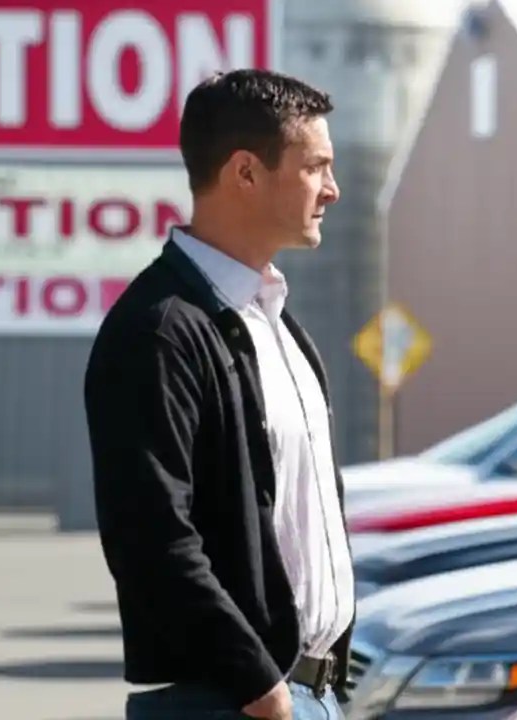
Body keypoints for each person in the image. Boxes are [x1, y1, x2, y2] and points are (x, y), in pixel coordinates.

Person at [83, 69, 354, 720]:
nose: (333, 190)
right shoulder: (158, 332)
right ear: (245, 173)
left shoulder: (276, 323)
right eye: (315, 166)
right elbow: (151, 539)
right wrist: (259, 687)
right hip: (229, 703)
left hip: (307, 696)